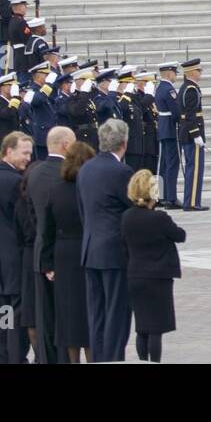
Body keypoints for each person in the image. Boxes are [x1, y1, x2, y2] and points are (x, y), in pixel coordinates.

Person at [78, 118, 134, 362]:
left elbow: (82, 210)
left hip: (90, 248)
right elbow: (132, 209)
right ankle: (112, 358)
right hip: (114, 251)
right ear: (124, 143)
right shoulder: (122, 171)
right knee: (116, 311)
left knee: (97, 312)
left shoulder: (86, 168)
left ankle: (99, 357)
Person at [119, 169, 186, 363]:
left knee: (142, 326)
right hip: (158, 277)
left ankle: (142, 360)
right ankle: (155, 361)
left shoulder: (127, 217)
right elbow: (180, 235)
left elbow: (123, 245)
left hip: (135, 275)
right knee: (156, 327)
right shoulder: (159, 218)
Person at [41, 140, 96, 363]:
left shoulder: (56, 189)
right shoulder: (89, 189)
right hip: (86, 250)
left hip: (63, 253)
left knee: (68, 313)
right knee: (88, 311)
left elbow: (47, 229)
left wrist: (47, 262)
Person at [0, 131, 34, 363]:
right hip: (16, 259)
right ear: (8, 151)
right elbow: (25, 223)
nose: (28, 158)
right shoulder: (15, 181)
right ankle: (15, 358)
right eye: (24, 153)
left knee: (4, 312)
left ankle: (3, 355)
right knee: (17, 314)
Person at [27, 126, 73, 363]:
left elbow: (32, 216)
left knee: (44, 317)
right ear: (65, 145)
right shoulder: (67, 173)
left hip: (39, 251)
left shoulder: (34, 172)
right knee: (65, 316)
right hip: (63, 253)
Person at [177, 58, 208, 211]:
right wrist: (196, 134)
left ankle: (191, 201)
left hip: (187, 132)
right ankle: (192, 203)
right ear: (190, 72)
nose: (200, 73)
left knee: (192, 168)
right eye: (198, 70)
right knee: (195, 169)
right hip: (191, 134)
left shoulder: (186, 87)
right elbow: (190, 115)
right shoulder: (191, 89)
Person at [155, 62, 182, 208]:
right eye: (174, 72)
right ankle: (171, 198)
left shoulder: (160, 88)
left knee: (165, 164)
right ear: (168, 73)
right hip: (171, 129)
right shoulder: (169, 89)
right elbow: (176, 111)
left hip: (163, 128)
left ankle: (162, 196)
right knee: (172, 164)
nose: (175, 75)